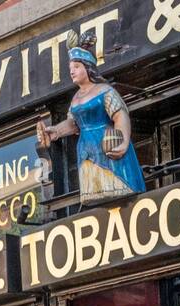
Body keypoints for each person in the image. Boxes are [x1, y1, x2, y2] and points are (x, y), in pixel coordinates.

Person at [36, 30, 144, 204]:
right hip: (86, 147)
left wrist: (123, 143)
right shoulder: (76, 98)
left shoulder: (104, 91)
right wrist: (55, 131)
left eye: (76, 67)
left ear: (88, 67)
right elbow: (74, 124)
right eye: (71, 68)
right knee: (96, 189)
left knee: (114, 184)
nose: (72, 71)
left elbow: (120, 115)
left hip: (105, 142)